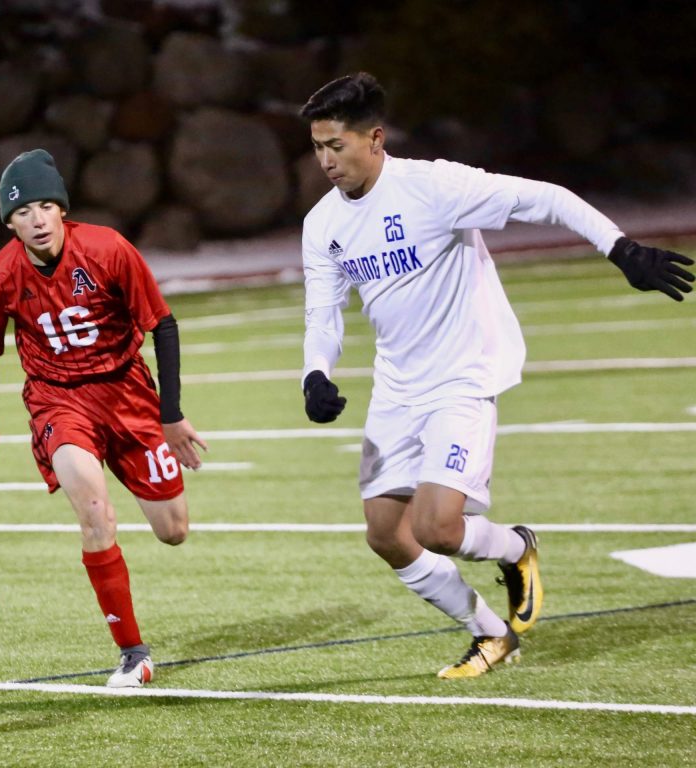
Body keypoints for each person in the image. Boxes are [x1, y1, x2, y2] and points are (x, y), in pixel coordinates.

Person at [297, 73, 694, 679]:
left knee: (436, 528)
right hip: (398, 386)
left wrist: (621, 250)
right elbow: (322, 314)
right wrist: (315, 373)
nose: (325, 160)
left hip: (463, 375)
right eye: (317, 147)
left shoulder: (436, 187)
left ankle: (516, 547)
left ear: (375, 138)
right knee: (385, 534)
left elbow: (551, 198)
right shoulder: (322, 224)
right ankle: (489, 632)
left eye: (336, 145)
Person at [0, 149, 207, 687]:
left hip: (127, 393)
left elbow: (162, 325)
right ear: (10, 223)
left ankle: (133, 632)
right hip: (59, 401)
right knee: (94, 512)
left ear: (62, 211)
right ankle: (132, 653)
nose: (38, 219)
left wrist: (171, 414)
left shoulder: (106, 248)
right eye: (24, 212)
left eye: (47, 207)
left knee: (174, 531)